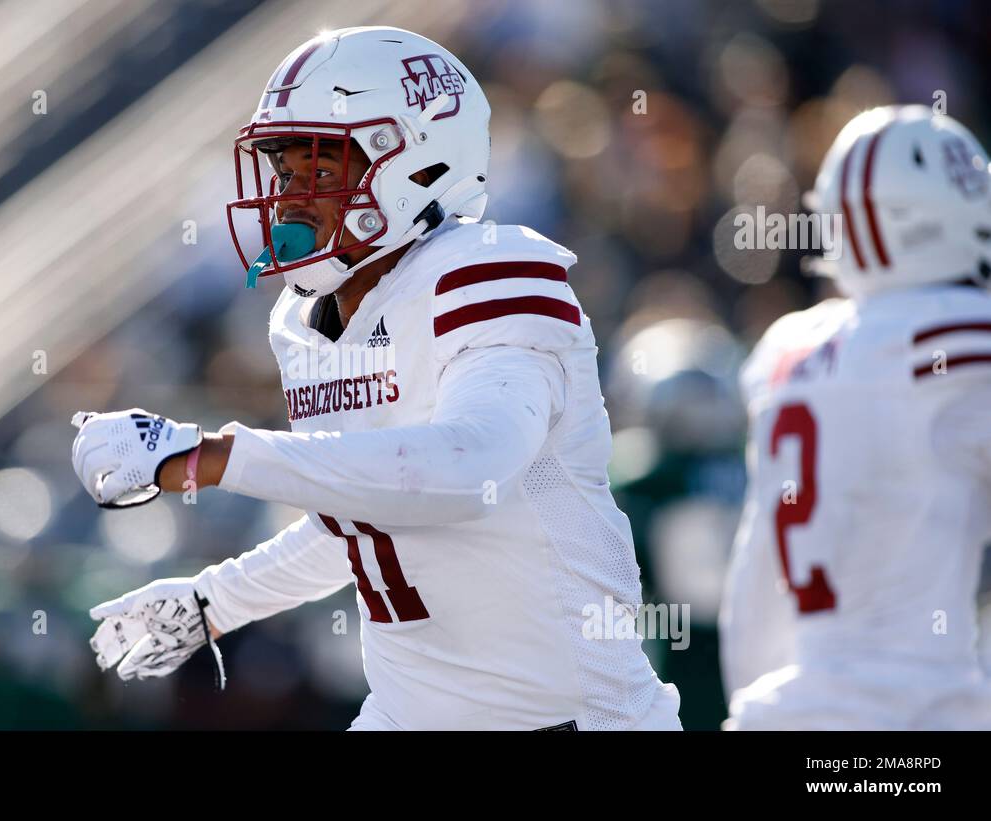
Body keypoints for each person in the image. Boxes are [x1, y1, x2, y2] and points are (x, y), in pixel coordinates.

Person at [72, 26, 680, 731]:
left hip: (571, 720)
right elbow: (362, 514)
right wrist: (216, 602)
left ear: (418, 166)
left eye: (322, 171)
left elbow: (469, 471)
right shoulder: (304, 322)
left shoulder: (489, 271)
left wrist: (215, 458)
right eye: (285, 171)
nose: (292, 199)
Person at [720, 105, 991, 730]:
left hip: (788, 711)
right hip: (915, 720)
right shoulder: (953, 341)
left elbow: (757, 586)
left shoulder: (786, 354)